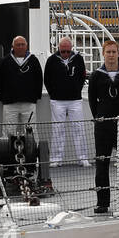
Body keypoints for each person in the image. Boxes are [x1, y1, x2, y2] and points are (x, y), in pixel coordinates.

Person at [87, 40, 119, 214]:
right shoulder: (96, 76)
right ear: (103, 54)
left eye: (113, 52)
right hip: (103, 126)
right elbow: (92, 101)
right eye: (107, 52)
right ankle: (102, 203)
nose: (111, 55)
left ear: (118, 53)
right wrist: (99, 117)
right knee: (102, 162)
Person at [44, 36, 88, 166]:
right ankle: (56, 159)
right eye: (63, 51)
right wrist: (54, 94)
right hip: (57, 100)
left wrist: (76, 91)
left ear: (71, 49)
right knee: (58, 129)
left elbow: (82, 77)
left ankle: (83, 158)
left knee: (79, 128)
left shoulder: (78, 59)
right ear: (59, 49)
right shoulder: (51, 60)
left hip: (75, 100)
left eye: (68, 51)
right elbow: (47, 79)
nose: (65, 54)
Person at [0, 35, 42, 130]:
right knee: (9, 131)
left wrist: (36, 96)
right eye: (18, 45)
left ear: (26, 46)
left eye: (22, 44)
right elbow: (0, 80)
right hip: (10, 103)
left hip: (29, 102)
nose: (20, 47)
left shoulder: (33, 60)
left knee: (31, 131)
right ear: (13, 46)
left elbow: (39, 79)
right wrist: (2, 98)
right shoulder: (5, 61)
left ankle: (33, 145)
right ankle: (8, 146)